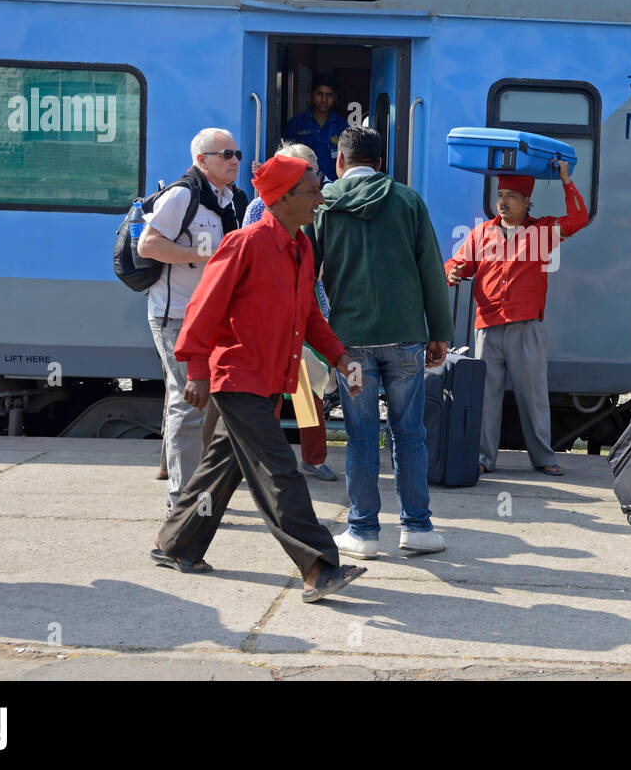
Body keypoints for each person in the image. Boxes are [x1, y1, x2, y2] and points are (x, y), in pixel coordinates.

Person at [151, 154, 366, 602]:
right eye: (311, 191)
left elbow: (307, 313)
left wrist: (340, 357)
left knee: (221, 466)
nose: (320, 199)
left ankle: (176, 543)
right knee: (278, 471)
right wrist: (195, 370)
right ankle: (318, 565)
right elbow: (202, 309)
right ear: (283, 198)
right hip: (237, 376)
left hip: (271, 376)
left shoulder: (302, 246)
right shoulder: (245, 244)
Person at [305, 127, 453, 560]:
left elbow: (308, 273)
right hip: (406, 336)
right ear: (382, 163)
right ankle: (417, 528)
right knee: (409, 434)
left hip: (349, 343)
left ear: (339, 162)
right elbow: (431, 269)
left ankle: (364, 532)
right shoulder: (407, 200)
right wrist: (439, 331)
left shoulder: (325, 206)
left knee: (360, 435)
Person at [445, 161, 589, 477]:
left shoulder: (543, 231)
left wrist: (566, 180)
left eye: (511, 196)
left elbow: (579, 218)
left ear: (526, 202)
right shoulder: (481, 233)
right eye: (501, 195)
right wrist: (452, 272)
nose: (503, 201)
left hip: (527, 327)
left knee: (533, 395)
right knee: (485, 399)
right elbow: (458, 264)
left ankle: (543, 457)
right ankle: (483, 458)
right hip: (488, 327)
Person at [136, 129, 248, 512]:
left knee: (210, 405)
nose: (234, 160)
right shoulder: (182, 196)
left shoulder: (233, 200)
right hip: (177, 315)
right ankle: (182, 502)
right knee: (186, 403)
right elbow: (147, 245)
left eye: (236, 153)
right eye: (225, 154)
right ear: (202, 160)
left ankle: (199, 491)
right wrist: (205, 257)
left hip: (213, 317)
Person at [244, 142, 338, 481]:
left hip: (308, 307)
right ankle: (263, 459)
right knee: (267, 390)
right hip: (271, 314)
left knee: (307, 389)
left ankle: (313, 457)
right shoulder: (258, 208)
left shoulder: (319, 203)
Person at [284, 77, 348, 181]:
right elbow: (286, 156)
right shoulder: (296, 123)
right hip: (303, 183)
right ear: (311, 94)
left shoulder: (342, 125)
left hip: (334, 184)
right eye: (319, 94)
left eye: (329, 95)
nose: (324, 99)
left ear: (335, 97)